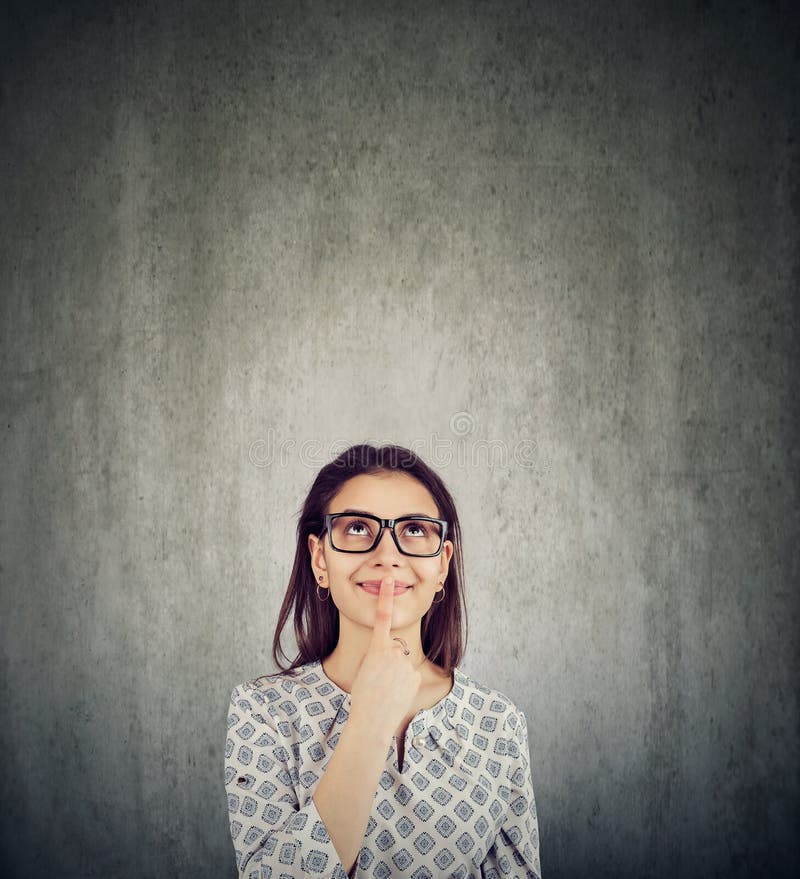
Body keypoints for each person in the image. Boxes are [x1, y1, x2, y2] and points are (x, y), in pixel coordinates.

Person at [224, 443, 542, 878]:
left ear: (443, 565)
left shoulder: (498, 721)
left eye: (414, 530)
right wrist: (370, 719)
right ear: (320, 560)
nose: (387, 555)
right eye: (357, 528)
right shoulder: (262, 711)